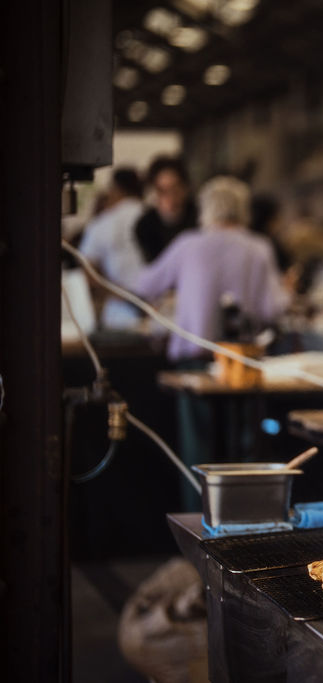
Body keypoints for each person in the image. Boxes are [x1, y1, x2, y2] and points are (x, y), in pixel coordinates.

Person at [134, 176, 290, 509]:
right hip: (241, 363)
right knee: (244, 450)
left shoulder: (188, 244)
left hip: (195, 362)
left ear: (207, 208)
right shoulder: (258, 246)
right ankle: (246, 528)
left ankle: (198, 527)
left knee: (197, 450)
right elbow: (272, 308)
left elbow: (145, 285)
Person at [77, 167, 147, 329]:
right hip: (161, 316)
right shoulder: (155, 217)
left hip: (118, 317)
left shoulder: (102, 224)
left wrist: (128, 299)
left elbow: (89, 278)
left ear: (115, 189)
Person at [134, 156, 198, 263]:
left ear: (185, 188)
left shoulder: (200, 217)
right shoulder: (144, 226)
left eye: (175, 189)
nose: (170, 197)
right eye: (162, 191)